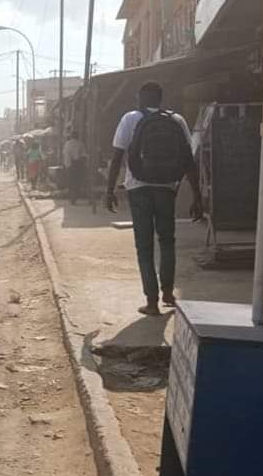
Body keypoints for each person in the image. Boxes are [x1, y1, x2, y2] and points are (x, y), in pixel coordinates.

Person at [107, 81, 203, 316]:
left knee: (144, 245)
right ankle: (168, 293)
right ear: (160, 99)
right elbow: (188, 160)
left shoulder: (130, 118)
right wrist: (197, 196)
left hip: (138, 187)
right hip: (167, 188)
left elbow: (117, 156)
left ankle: (151, 301)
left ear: (140, 98)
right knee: (167, 241)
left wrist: (109, 191)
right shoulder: (177, 120)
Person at [62, 130, 87, 205]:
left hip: (69, 164)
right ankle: (74, 197)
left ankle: (72, 198)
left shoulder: (67, 144)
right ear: (77, 136)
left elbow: (65, 154)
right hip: (77, 164)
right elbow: (83, 155)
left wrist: (66, 164)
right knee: (77, 180)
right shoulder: (80, 143)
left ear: (71, 136)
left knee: (70, 181)